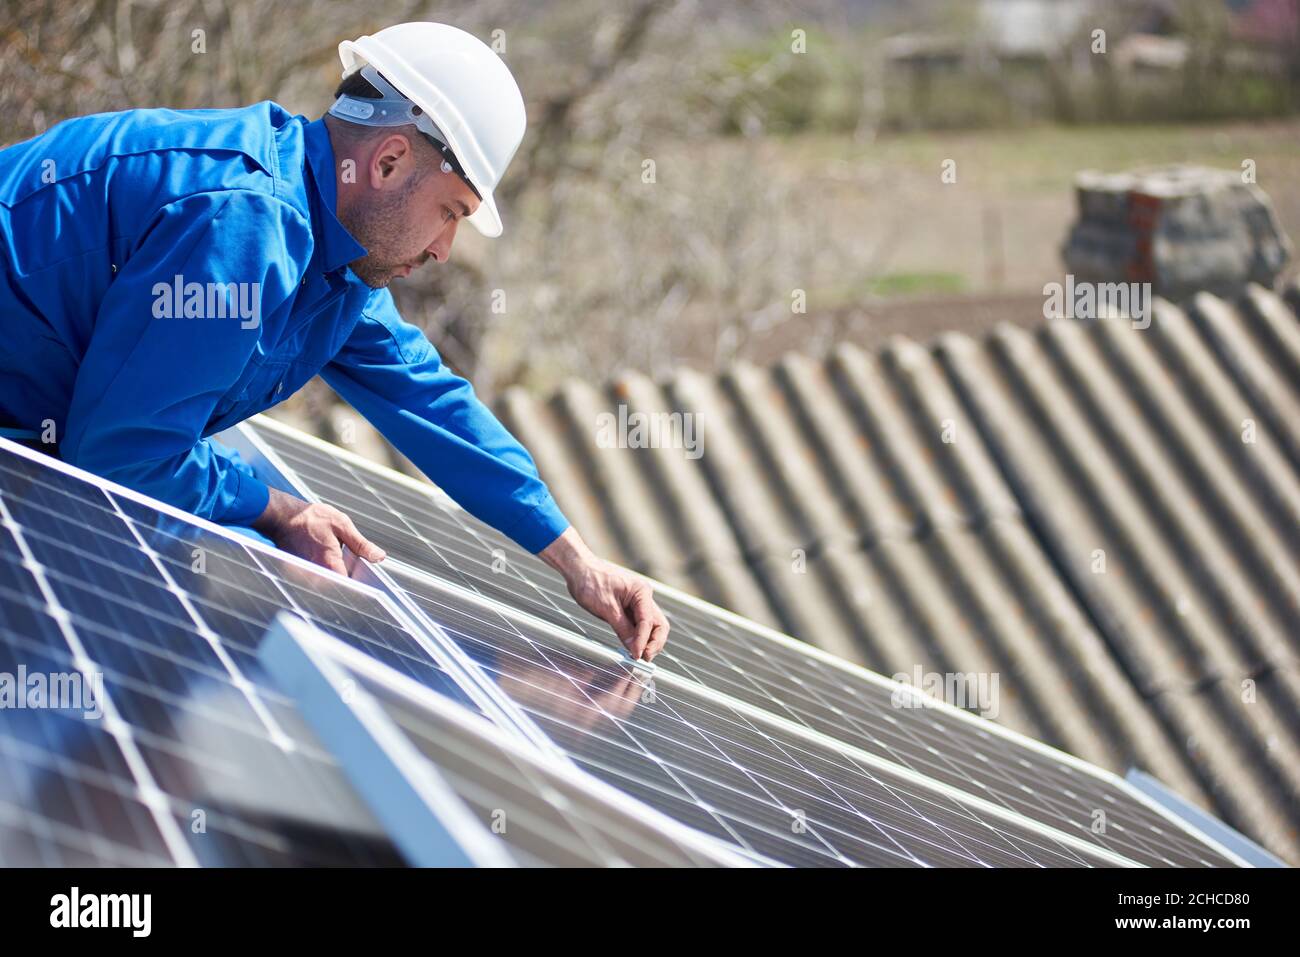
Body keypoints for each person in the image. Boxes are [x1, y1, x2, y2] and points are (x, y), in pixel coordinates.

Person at [0, 22, 668, 661]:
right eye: (451, 212)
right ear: (389, 161)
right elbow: (122, 457)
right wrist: (277, 509)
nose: (444, 249)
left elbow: (436, 405)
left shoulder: (334, 261)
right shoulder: (246, 224)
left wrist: (577, 559)